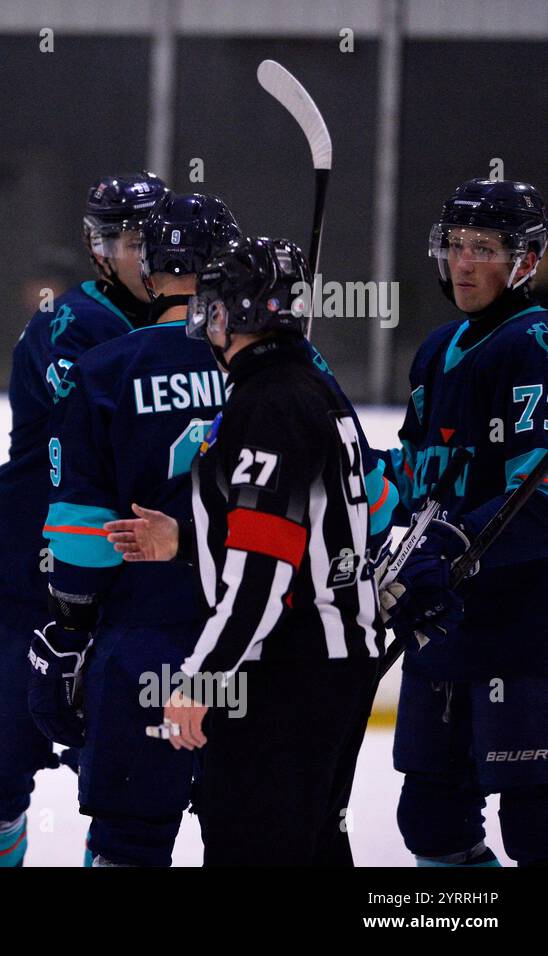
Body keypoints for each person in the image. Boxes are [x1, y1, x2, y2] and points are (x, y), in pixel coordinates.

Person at [107, 237, 384, 865]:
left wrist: (202, 677)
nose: (203, 316)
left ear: (236, 314)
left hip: (293, 670)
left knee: (251, 845)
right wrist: (187, 542)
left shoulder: (270, 403)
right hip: (324, 661)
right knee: (310, 842)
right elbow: (295, 531)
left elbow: (262, 569)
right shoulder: (302, 387)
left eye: (213, 302)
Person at [0, 172, 167, 866]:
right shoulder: (70, 323)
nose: (144, 255)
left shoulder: (203, 328)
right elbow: (117, 445)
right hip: (19, 584)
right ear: (99, 251)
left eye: (155, 240)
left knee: (128, 795)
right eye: (128, 241)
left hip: (127, 596)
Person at [32, 193, 237, 866]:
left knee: (128, 839)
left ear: (149, 273)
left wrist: (69, 629)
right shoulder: (276, 368)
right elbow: (354, 498)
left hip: (142, 641)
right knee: (252, 839)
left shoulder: (105, 368)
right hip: (254, 642)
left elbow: (83, 532)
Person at [382, 179, 548, 867]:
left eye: (484, 247)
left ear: (526, 260)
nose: (463, 262)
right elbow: (419, 471)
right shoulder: (437, 348)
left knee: (537, 828)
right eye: (454, 245)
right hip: (443, 618)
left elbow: (539, 498)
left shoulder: (534, 343)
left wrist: (451, 544)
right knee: (430, 821)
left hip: (525, 627)